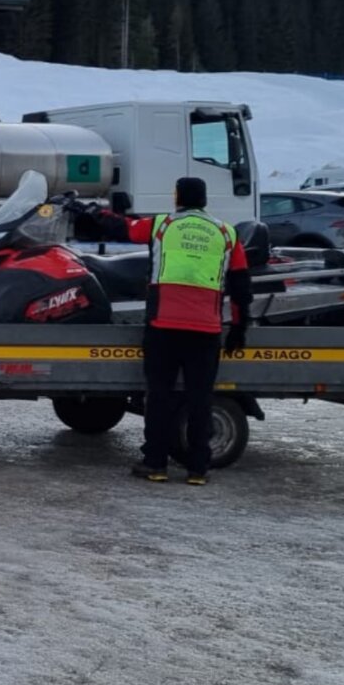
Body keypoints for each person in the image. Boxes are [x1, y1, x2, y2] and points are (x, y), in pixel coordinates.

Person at [97, 177, 252, 485]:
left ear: (177, 197)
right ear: (204, 199)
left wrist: (97, 213)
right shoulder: (226, 233)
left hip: (163, 327)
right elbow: (241, 285)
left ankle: (155, 464)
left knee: (159, 397)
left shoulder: (162, 226)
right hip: (206, 330)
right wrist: (238, 327)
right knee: (199, 399)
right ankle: (197, 469)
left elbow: (124, 228)